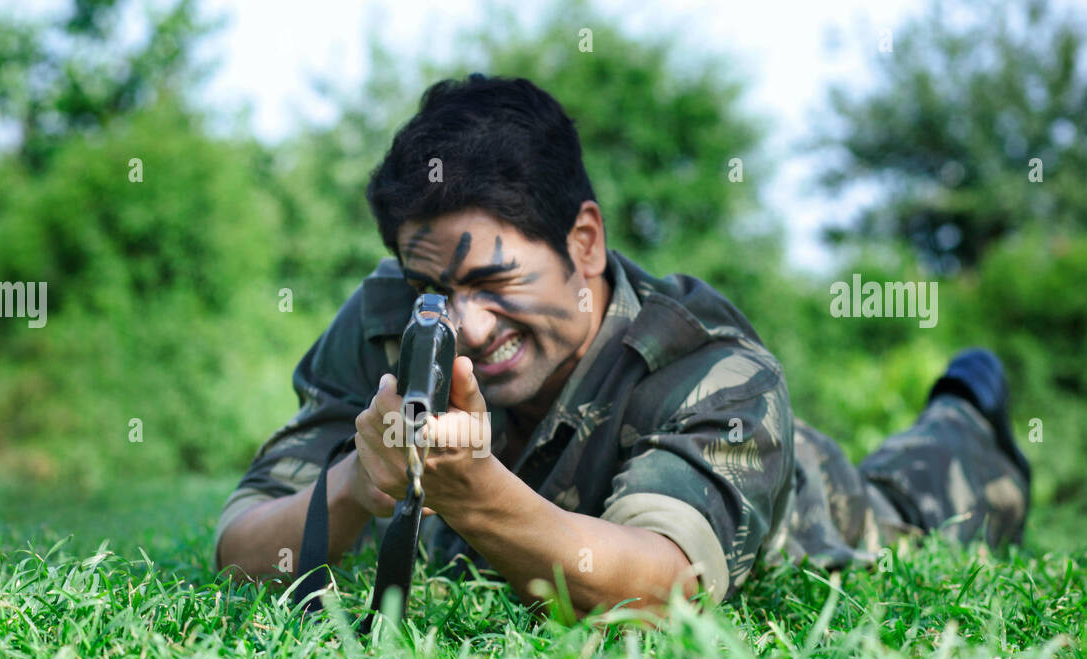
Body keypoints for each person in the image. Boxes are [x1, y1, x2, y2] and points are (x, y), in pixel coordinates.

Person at [213, 75, 1030, 615]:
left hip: (815, 495)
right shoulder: (390, 317)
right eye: (436, 291)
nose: (466, 324)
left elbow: (662, 586)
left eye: (496, 281)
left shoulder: (710, 365)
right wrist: (360, 482)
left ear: (586, 243)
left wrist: (469, 493)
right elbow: (240, 548)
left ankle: (963, 412)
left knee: (936, 499)